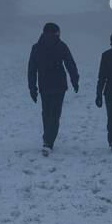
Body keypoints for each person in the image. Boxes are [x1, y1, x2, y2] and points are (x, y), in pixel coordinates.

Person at [27, 22, 79, 155]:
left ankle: (47, 139)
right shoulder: (61, 46)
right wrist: (75, 80)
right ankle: (49, 141)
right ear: (57, 32)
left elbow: (31, 70)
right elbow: (70, 64)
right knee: (55, 115)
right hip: (59, 85)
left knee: (46, 113)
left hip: (44, 85)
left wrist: (32, 88)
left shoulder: (36, 47)